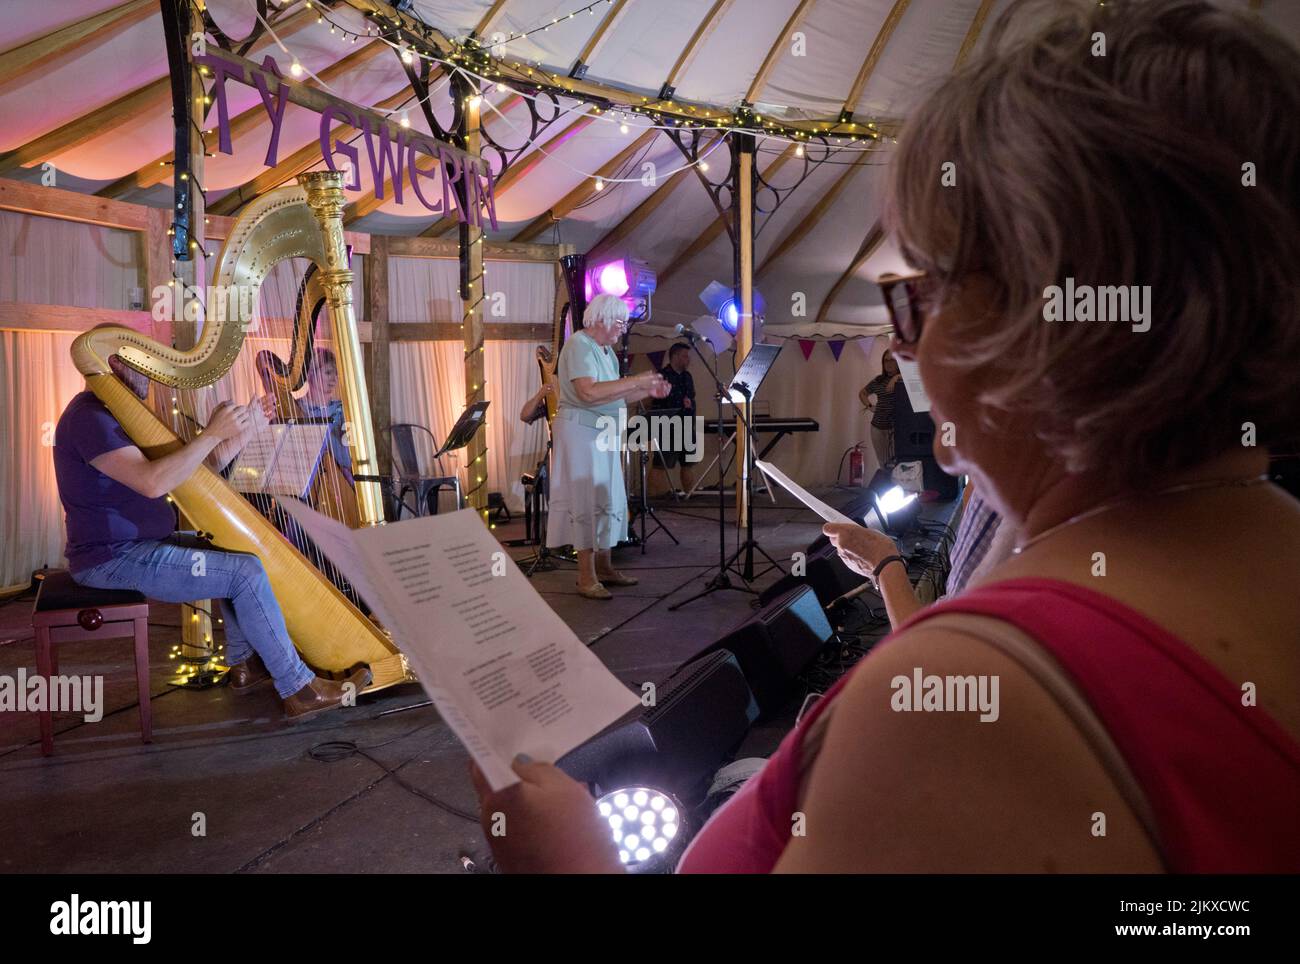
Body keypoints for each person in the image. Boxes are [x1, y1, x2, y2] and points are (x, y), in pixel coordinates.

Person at [470, 0, 1300, 872]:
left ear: (1039, 322)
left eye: (918, 295)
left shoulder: (975, 708)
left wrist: (565, 864)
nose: (904, 343)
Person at [53, 354, 369, 722]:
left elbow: (192, 475)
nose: (149, 374)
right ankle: (300, 690)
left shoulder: (113, 415)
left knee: (234, 549)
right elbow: (154, 482)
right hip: (111, 558)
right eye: (139, 364)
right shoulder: (89, 418)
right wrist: (211, 434)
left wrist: (246, 431)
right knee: (243, 572)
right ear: (111, 364)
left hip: (140, 545)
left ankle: (245, 664)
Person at [545, 294, 669, 600]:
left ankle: (605, 567)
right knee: (585, 500)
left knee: (607, 497)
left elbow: (612, 396)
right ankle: (585, 576)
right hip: (580, 433)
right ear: (600, 318)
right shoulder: (578, 345)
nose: (623, 329)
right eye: (619, 322)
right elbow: (587, 393)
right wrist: (635, 380)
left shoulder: (607, 353)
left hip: (602, 434)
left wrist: (645, 389)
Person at [651, 343, 697, 496]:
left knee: (688, 464)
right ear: (675, 357)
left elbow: (692, 397)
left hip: (686, 425)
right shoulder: (662, 375)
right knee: (660, 465)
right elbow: (655, 403)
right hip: (667, 427)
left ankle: (689, 496)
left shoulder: (688, 376)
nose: (688, 359)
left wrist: (690, 404)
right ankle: (654, 499)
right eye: (685, 356)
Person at [859, 349, 901, 470]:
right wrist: (870, 406)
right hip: (877, 427)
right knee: (883, 463)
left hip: (895, 428)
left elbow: (918, 377)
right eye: (885, 360)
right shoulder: (878, 380)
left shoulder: (903, 379)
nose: (888, 363)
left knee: (896, 462)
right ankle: (885, 487)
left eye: (892, 360)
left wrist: (896, 377)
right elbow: (862, 393)